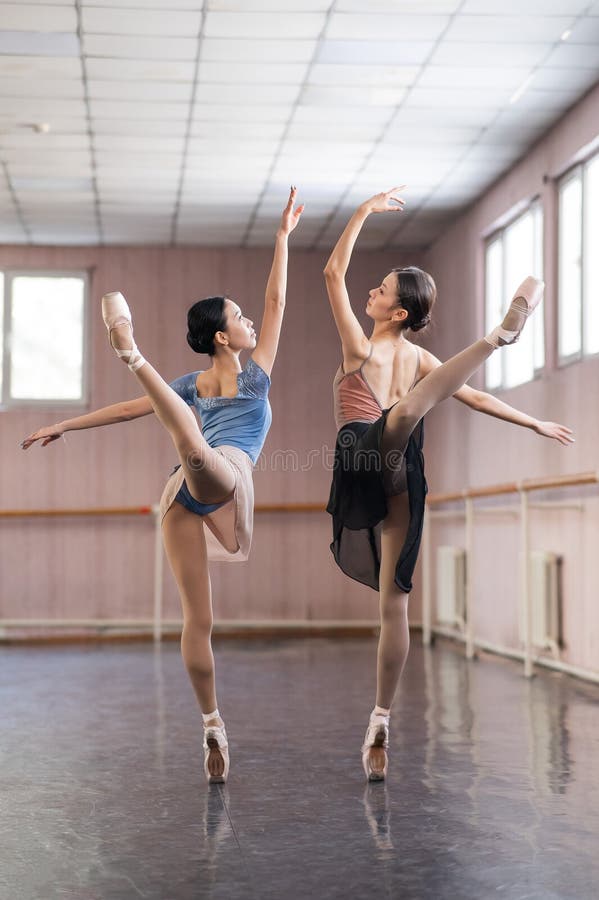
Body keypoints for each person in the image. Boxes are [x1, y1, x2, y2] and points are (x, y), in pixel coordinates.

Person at [22, 187, 304, 784]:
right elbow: (130, 410)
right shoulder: (239, 377)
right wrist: (66, 425)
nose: (251, 321)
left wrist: (282, 236)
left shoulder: (225, 382)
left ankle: (133, 355)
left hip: (204, 479)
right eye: (239, 317)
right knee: (196, 617)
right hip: (199, 482)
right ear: (222, 337)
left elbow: (273, 301)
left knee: (191, 446)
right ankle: (211, 725)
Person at [323, 187, 574, 782]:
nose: (370, 292)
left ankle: (381, 721)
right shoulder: (412, 359)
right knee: (408, 414)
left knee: (395, 604)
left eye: (381, 290)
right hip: (387, 457)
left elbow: (332, 273)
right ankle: (495, 339)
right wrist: (533, 422)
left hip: (377, 458)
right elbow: (474, 396)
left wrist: (361, 212)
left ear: (397, 313)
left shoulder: (367, 348)